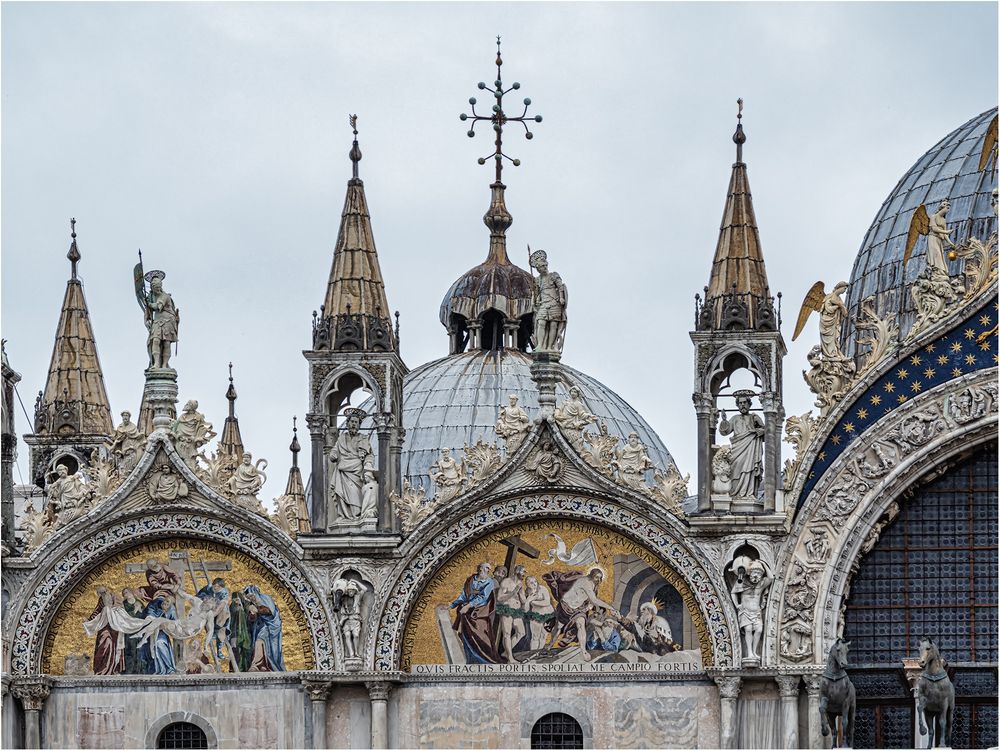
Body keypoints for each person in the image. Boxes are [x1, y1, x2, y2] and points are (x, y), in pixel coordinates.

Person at [543, 567, 619, 661]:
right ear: (591, 576)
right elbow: (594, 599)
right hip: (566, 606)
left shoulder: (594, 585)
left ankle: (583, 650)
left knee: (580, 624)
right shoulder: (584, 581)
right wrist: (611, 607)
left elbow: (591, 599)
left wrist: (589, 606)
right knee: (558, 626)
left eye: (600, 578)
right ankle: (550, 643)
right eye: (596, 577)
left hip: (578, 609)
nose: (599, 580)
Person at [328, 413, 377, 521]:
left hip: (357, 472)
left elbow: (369, 455)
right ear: (348, 423)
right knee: (341, 494)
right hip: (343, 471)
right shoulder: (341, 438)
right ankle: (344, 516)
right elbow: (335, 450)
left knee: (355, 495)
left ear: (359, 425)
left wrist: (368, 465)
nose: (354, 424)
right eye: (352, 422)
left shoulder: (363, 439)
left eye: (356, 422)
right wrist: (333, 454)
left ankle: (356, 516)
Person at [718, 391, 765, 501]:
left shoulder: (754, 417)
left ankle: (749, 494)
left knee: (750, 469)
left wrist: (760, 427)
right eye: (740, 403)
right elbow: (725, 431)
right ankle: (735, 494)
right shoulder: (735, 418)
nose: (742, 405)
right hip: (737, 450)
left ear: (749, 404)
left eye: (745, 402)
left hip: (751, 449)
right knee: (736, 470)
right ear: (737, 405)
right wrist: (724, 420)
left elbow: (767, 434)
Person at [450, 562, 499, 664]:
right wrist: (452, 605)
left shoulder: (489, 582)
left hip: (479, 613)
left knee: (482, 637)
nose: (484, 570)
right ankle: (471, 660)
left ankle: (485, 660)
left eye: (487, 569)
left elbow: (483, 597)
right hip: (466, 613)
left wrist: (468, 606)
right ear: (478, 568)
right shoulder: (470, 580)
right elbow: (464, 595)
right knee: (465, 636)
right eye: (483, 568)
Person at [731, 560, 772, 661]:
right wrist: (737, 605)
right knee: (748, 630)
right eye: (755, 573)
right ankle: (749, 652)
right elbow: (733, 593)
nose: (756, 576)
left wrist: (764, 564)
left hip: (756, 612)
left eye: (759, 574)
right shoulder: (742, 582)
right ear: (749, 573)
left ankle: (754, 652)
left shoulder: (761, 584)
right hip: (745, 611)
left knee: (759, 630)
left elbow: (771, 578)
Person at [529, 248, 568, 353]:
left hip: (555, 303)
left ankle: (550, 347)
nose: (544, 268)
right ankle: (540, 345)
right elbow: (536, 293)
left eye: (545, 265)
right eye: (542, 266)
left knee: (553, 325)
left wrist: (561, 297)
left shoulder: (554, 275)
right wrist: (535, 301)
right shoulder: (537, 280)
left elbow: (561, 287)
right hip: (544, 304)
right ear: (538, 269)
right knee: (541, 323)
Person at [244, 585, 285, 671]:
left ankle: (256, 664)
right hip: (259, 627)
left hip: (271, 626)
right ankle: (263, 666)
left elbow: (270, 611)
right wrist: (252, 615)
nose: (251, 598)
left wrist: (257, 610)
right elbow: (252, 620)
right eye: (249, 597)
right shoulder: (252, 604)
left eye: (252, 596)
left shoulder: (266, 598)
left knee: (260, 639)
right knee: (257, 641)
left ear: (256, 593)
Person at [87, 587, 125, 675]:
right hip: (104, 626)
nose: (101, 594)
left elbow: (121, 607)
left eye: (102, 591)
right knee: (104, 641)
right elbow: (97, 611)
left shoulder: (114, 596)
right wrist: (90, 620)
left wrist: (115, 608)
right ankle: (101, 669)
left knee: (114, 646)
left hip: (114, 626)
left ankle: (112, 668)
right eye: (100, 593)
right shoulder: (101, 600)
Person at [144, 273, 179, 370]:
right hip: (157, 321)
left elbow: (158, 307)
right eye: (154, 287)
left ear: (160, 287)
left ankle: (164, 365)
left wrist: (149, 304)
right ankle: (156, 364)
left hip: (168, 321)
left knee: (166, 343)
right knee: (155, 340)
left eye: (157, 287)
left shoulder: (165, 296)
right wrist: (147, 318)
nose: (156, 289)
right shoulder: (151, 297)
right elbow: (148, 312)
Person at [494, 565, 528, 663]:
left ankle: (505, 652)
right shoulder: (506, 582)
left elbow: (523, 600)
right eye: (523, 572)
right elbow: (499, 598)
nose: (524, 574)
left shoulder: (520, 583)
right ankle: (510, 657)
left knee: (521, 632)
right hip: (506, 609)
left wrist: (522, 594)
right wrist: (513, 593)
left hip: (516, 611)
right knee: (507, 633)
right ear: (517, 571)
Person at [523, 576, 555, 651]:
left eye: (535, 581)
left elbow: (547, 602)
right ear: (527, 584)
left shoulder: (542, 589)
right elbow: (526, 610)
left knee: (543, 636)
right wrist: (528, 601)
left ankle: (539, 653)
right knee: (535, 636)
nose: (534, 584)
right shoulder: (527, 592)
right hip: (536, 616)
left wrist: (532, 601)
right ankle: (533, 653)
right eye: (531, 582)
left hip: (548, 615)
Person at [228, 591, 252, 672]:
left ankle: (246, 668)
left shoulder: (246, 606)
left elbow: (249, 618)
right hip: (234, 633)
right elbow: (230, 619)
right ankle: (235, 669)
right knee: (235, 650)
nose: (236, 601)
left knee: (246, 651)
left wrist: (241, 608)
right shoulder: (232, 607)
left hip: (246, 633)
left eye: (237, 599)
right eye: (234, 599)